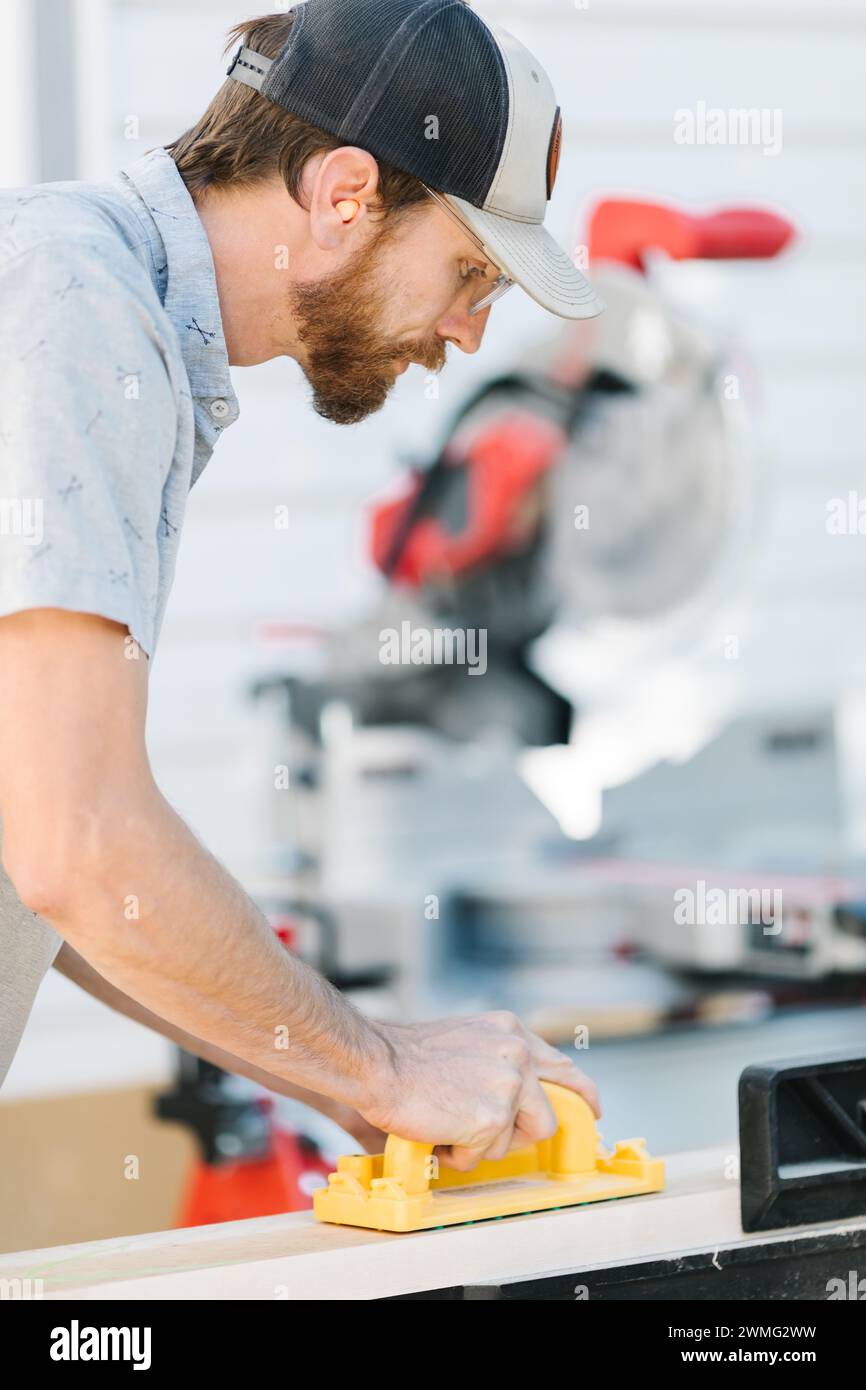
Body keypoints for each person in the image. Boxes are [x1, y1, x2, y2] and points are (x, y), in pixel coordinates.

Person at [0, 1, 603, 1171]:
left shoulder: (84, 306)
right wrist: (375, 1059)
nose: (470, 332)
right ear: (342, 197)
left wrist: (353, 1082)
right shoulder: (78, 319)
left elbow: (26, 845)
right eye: (471, 270)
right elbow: (76, 842)